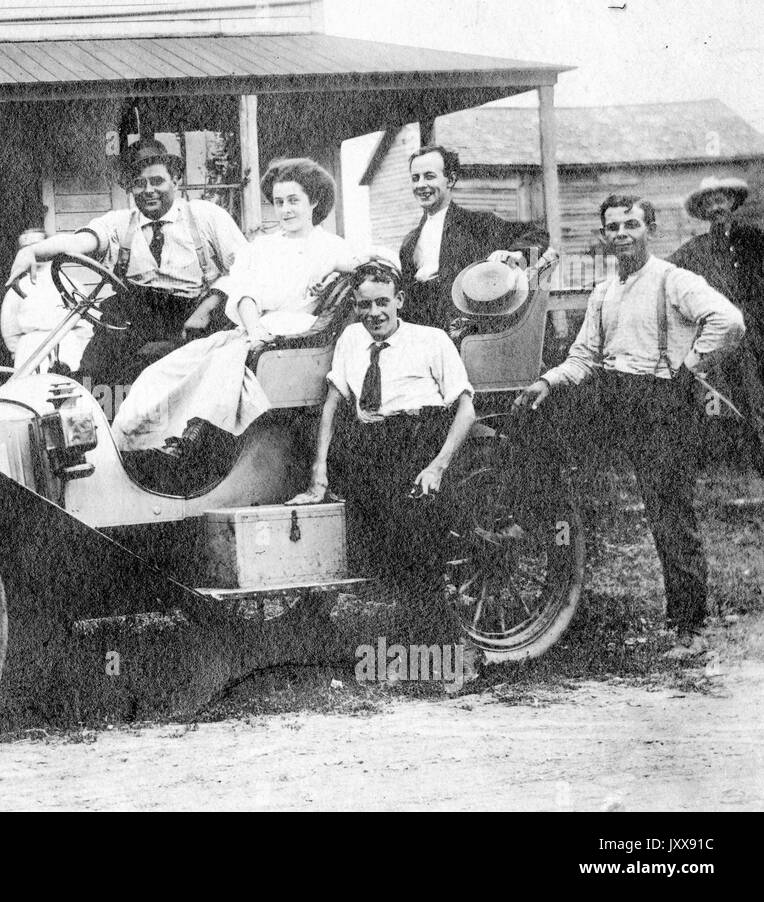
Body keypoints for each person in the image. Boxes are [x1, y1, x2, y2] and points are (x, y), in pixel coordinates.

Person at [515, 195, 745, 660]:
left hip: (661, 401)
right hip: (611, 395)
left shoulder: (673, 280)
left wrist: (691, 363)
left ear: (650, 228)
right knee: (538, 428)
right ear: (604, 235)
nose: (621, 234)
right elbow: (583, 356)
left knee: (669, 513)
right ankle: (544, 545)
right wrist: (546, 381)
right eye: (613, 227)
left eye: (631, 225)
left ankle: (690, 629)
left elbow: (729, 320)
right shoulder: (603, 291)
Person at [288, 260, 478, 665]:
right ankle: (413, 650)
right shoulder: (351, 339)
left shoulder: (432, 340)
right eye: (363, 305)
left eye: (382, 303)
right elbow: (333, 404)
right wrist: (318, 472)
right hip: (369, 445)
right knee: (382, 550)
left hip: (419, 439)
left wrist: (437, 467)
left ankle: (448, 660)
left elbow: (466, 410)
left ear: (399, 301)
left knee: (413, 542)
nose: (373, 313)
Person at [111, 158, 365, 455]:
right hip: (255, 331)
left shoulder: (332, 247)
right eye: (279, 202)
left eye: (294, 201)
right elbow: (244, 292)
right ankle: (138, 443)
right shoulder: (262, 247)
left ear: (315, 201)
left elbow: (374, 264)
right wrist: (254, 328)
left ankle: (192, 436)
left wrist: (336, 267)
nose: (285, 210)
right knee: (165, 371)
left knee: (223, 363)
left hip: (296, 336)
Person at [6, 137, 247, 388]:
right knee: (93, 372)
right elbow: (79, 242)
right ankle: (101, 421)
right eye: (139, 183)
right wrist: (33, 252)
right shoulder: (119, 223)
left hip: (193, 318)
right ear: (130, 188)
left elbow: (246, 268)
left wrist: (207, 308)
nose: (149, 190)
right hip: (135, 318)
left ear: (175, 181)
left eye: (157, 181)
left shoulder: (205, 216)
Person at [668, 175, 764, 473]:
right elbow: (667, 273)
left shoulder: (754, 239)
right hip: (722, 330)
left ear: (732, 203)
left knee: (757, 388)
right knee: (728, 391)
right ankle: (741, 457)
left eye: (721, 199)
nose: (716, 206)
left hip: (758, 326)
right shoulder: (695, 249)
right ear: (703, 211)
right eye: (709, 202)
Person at [399, 144, 551, 330]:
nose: (421, 185)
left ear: (451, 179)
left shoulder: (476, 224)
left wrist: (515, 253)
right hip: (420, 330)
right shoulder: (409, 243)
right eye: (415, 178)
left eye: (429, 176)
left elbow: (537, 234)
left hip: (462, 330)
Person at [0, 228, 93, 373]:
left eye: (37, 246)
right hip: (31, 350)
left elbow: (85, 326)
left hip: (68, 345)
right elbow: (10, 330)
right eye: (26, 249)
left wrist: (77, 347)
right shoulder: (17, 289)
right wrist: (21, 350)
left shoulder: (70, 284)